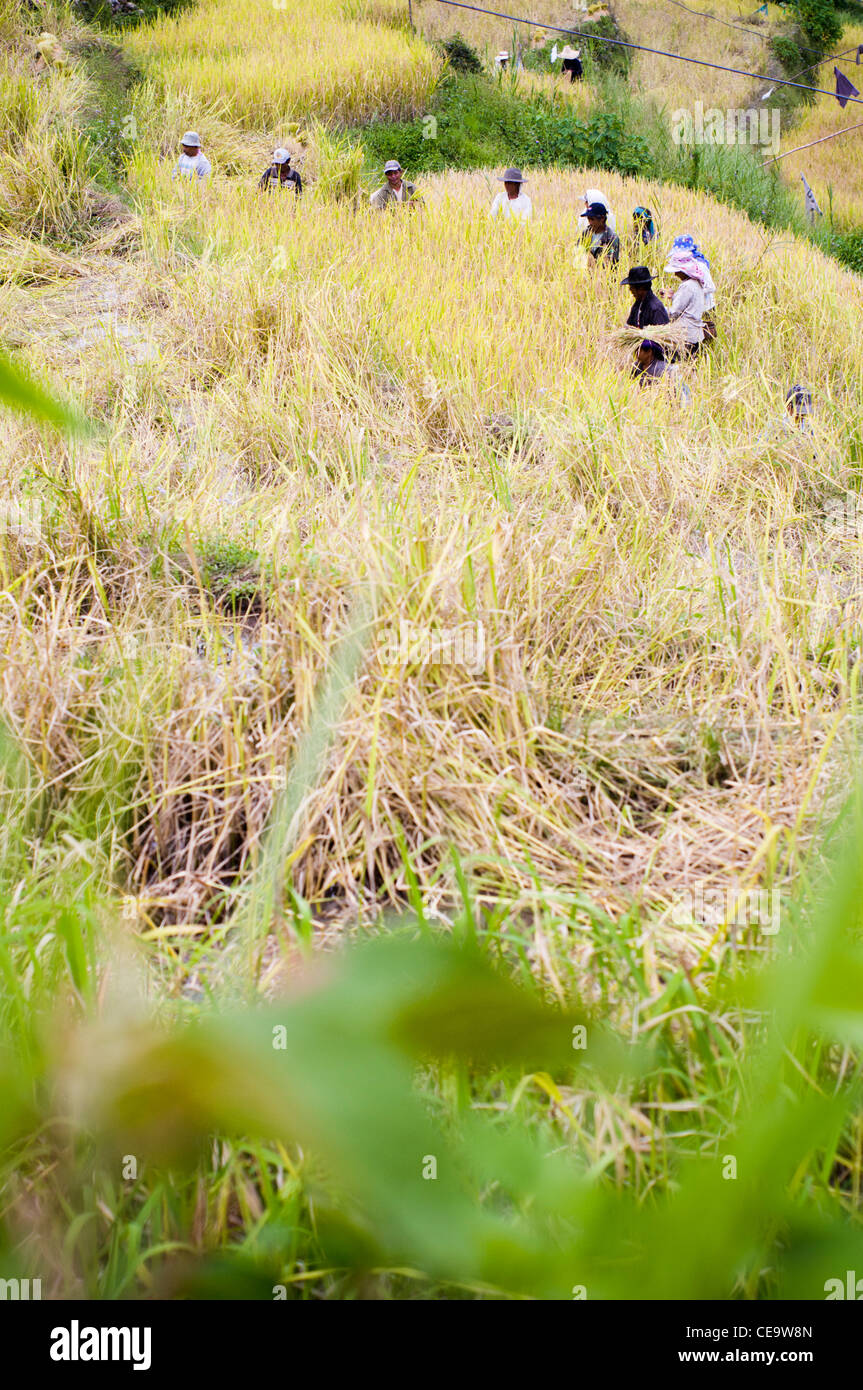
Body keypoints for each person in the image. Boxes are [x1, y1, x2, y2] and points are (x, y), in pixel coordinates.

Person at [663, 250, 705, 356]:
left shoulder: (687, 286)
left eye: (677, 271)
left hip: (685, 335)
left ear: (684, 271)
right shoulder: (695, 283)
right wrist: (673, 297)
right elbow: (687, 304)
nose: (675, 274)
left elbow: (674, 313)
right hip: (695, 334)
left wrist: (658, 309)